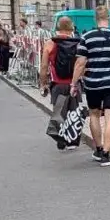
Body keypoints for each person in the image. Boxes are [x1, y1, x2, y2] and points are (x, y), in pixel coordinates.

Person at [71, 6, 110, 165]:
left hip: (92, 83)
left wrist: (74, 83)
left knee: (94, 114)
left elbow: (80, 63)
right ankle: (106, 153)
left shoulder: (86, 37)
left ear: (95, 18)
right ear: (109, 18)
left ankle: (98, 149)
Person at [41, 17, 82, 147]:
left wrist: (43, 83)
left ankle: (61, 140)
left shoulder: (50, 43)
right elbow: (83, 65)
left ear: (57, 28)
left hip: (58, 84)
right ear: (71, 28)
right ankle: (72, 141)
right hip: (74, 84)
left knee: (59, 111)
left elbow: (43, 66)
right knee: (74, 111)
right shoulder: (78, 43)